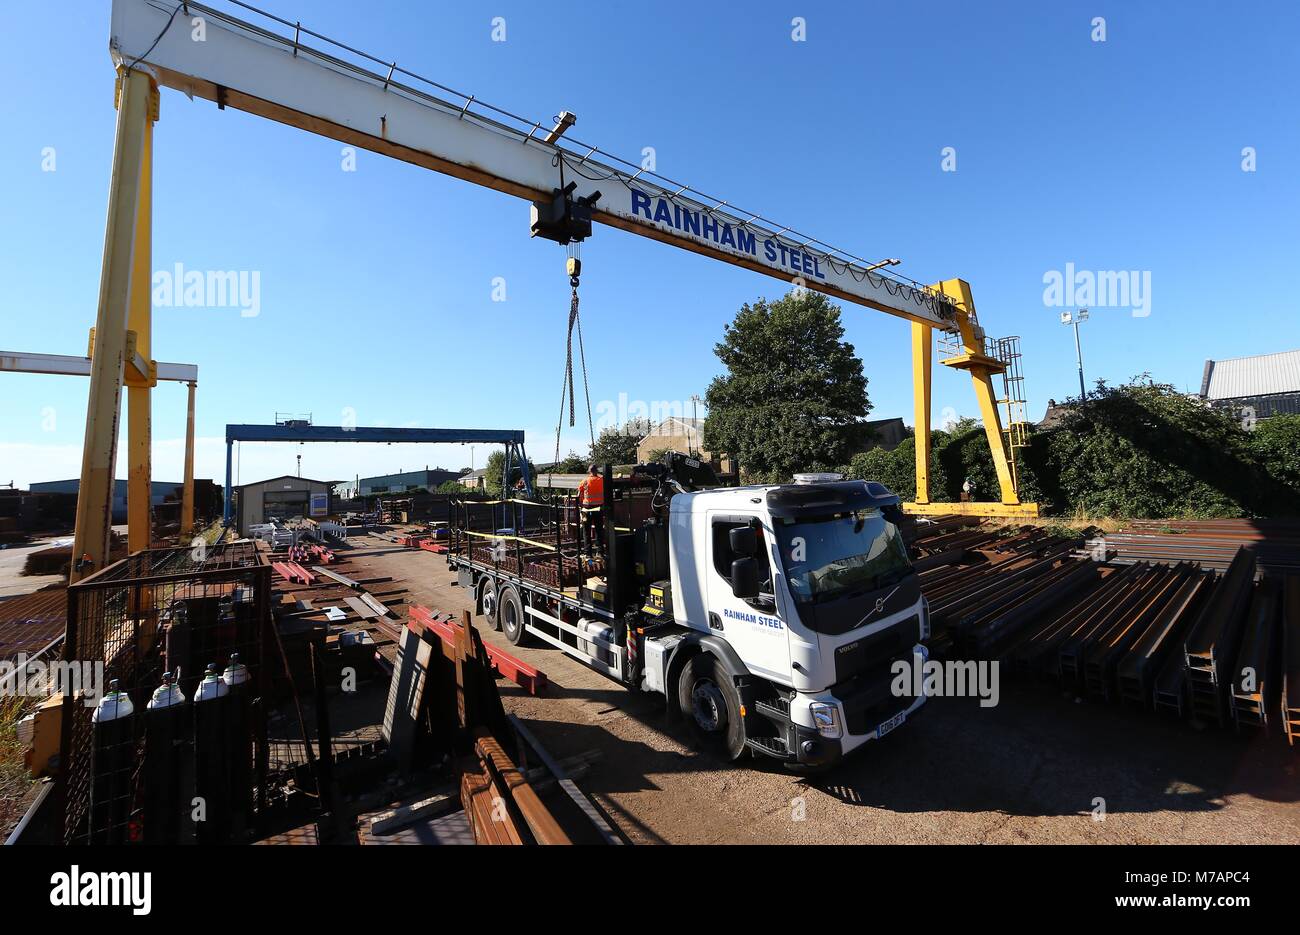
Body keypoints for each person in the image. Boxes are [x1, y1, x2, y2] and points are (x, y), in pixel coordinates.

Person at [577, 464, 605, 554]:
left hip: (586, 509)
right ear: (597, 471)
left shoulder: (584, 481)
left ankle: (588, 553)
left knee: (586, 531)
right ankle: (600, 551)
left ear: (589, 471)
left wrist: (581, 506)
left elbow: (579, 495)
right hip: (598, 508)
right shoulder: (602, 480)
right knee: (599, 530)